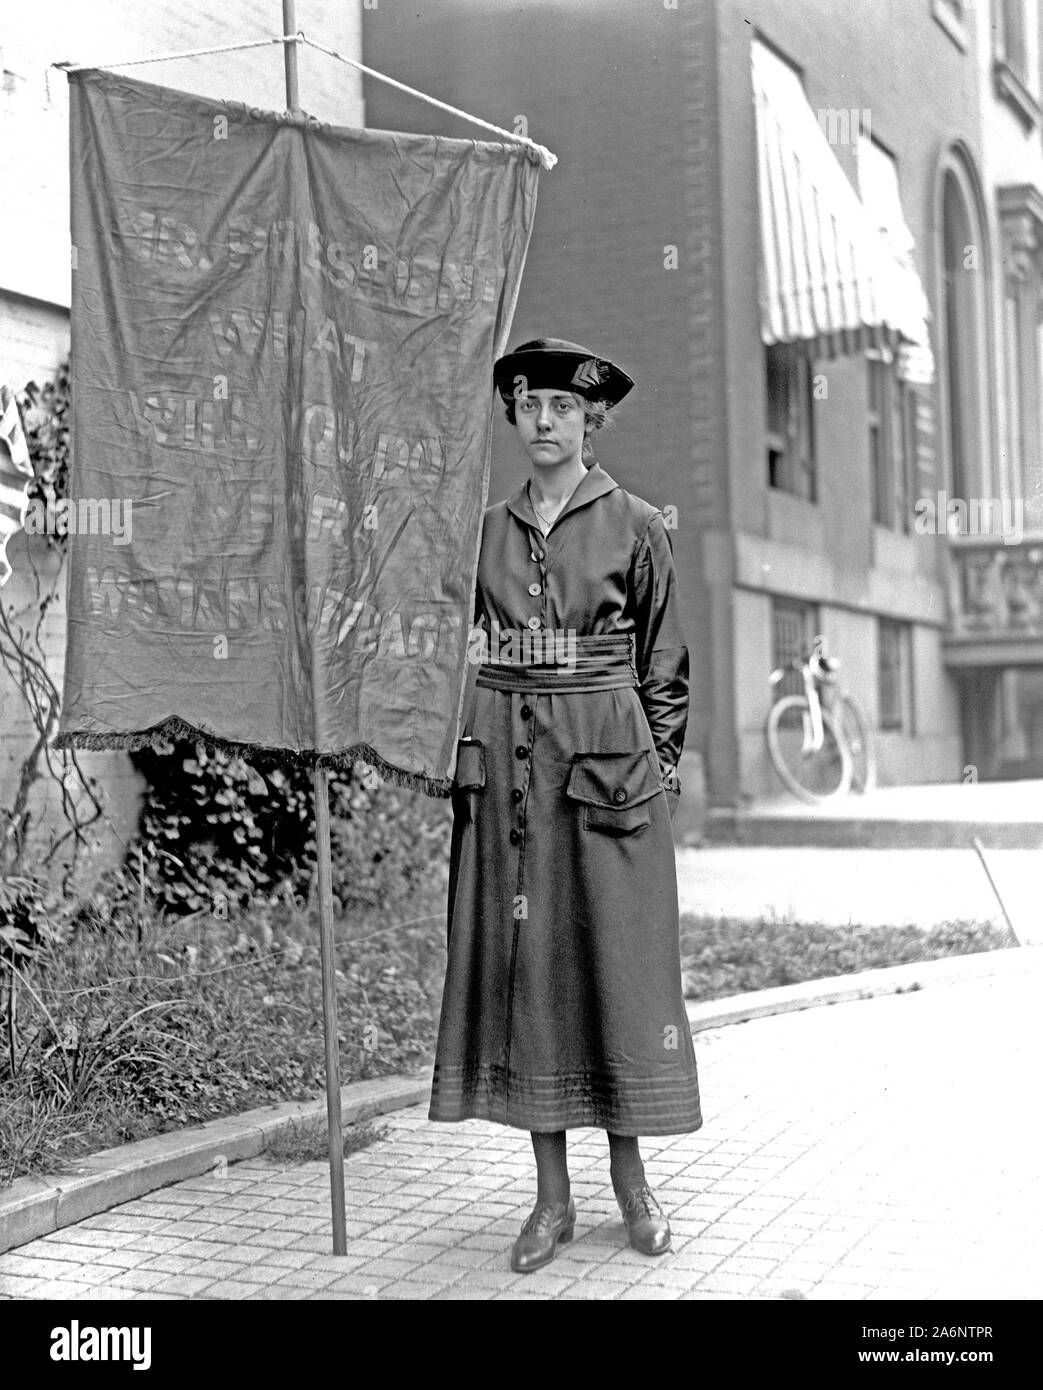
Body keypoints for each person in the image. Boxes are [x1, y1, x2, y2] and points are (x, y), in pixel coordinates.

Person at [428, 337, 701, 1274]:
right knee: (530, 976)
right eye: (528, 406)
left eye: (562, 408)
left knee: (615, 973)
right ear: (511, 417)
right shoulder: (486, 533)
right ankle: (551, 1201)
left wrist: (657, 768)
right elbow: (450, 647)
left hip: (611, 774)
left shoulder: (635, 525)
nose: (543, 422)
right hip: (510, 776)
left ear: (591, 421)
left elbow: (665, 664)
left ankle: (634, 1188)